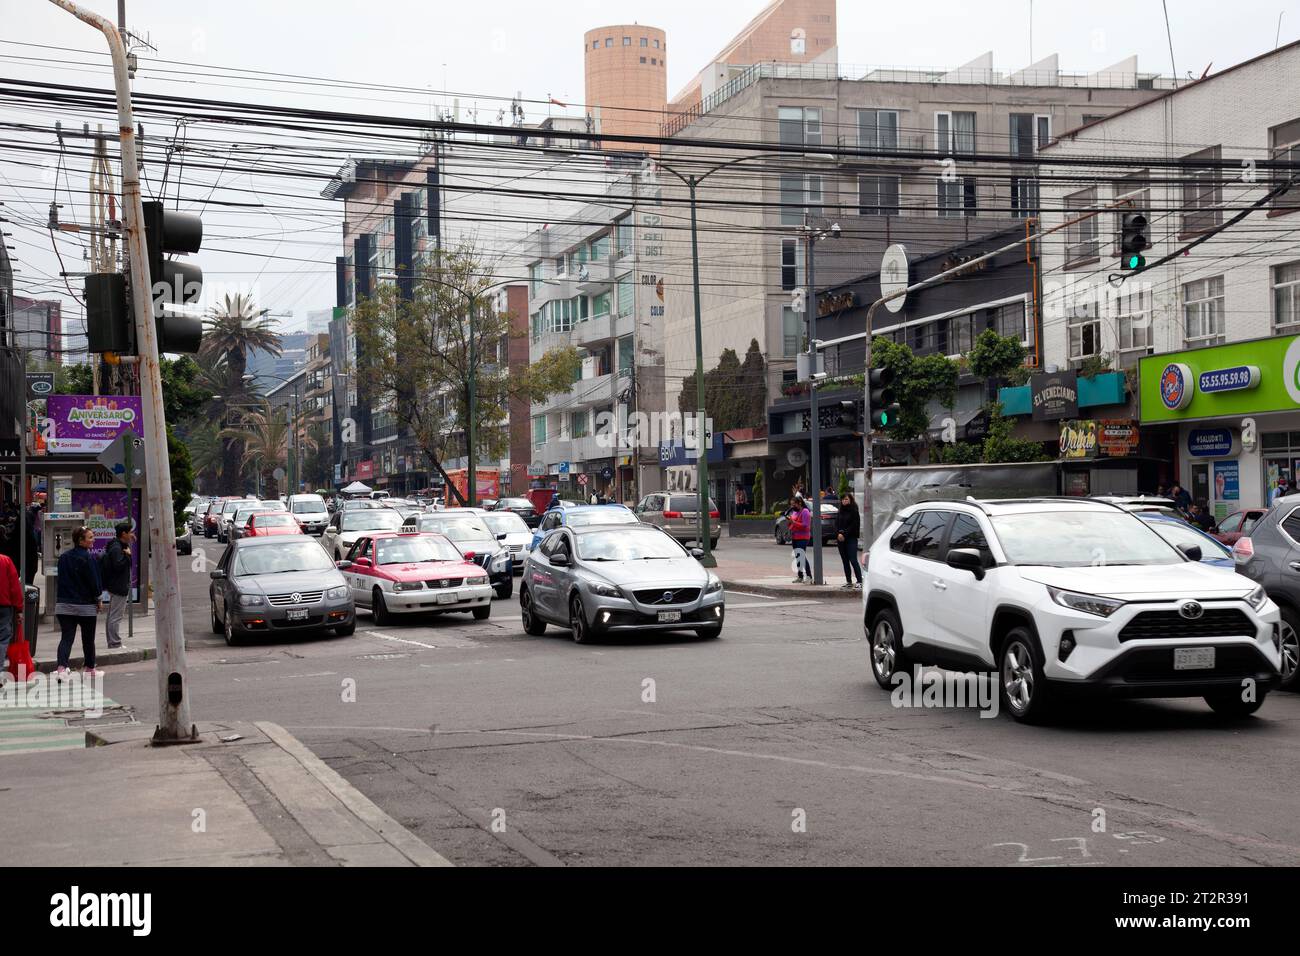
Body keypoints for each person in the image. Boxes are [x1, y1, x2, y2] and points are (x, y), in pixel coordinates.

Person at [54, 526, 102, 680]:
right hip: (85, 606)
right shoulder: (89, 558)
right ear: (81, 541)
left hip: (64, 604)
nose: (93, 540)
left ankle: (61, 668)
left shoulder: (63, 557)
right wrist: (98, 599)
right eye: (90, 537)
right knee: (88, 639)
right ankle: (89, 668)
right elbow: (94, 582)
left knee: (66, 638)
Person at [102, 521, 134, 650]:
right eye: (130, 532)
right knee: (115, 616)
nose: (132, 534)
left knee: (112, 615)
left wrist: (127, 548)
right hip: (118, 586)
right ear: (123, 533)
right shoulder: (117, 548)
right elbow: (118, 565)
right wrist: (127, 556)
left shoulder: (118, 545)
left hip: (116, 585)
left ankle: (112, 641)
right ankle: (115, 643)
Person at [0, 547, 22, 679]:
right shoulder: (5, 560)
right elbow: (14, 587)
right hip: (4, 605)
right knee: (2, 639)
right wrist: (19, 609)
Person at [835, 491, 863, 590]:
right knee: (845, 561)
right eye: (843, 499)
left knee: (853, 559)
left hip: (851, 538)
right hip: (840, 539)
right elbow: (837, 524)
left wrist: (844, 534)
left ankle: (860, 581)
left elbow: (853, 525)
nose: (844, 501)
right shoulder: (840, 511)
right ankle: (848, 581)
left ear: (850, 500)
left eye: (846, 499)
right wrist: (838, 533)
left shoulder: (854, 511)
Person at [788, 494, 812, 583]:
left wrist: (793, 522)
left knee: (802, 556)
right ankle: (800, 576)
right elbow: (793, 524)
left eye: (794, 504)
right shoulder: (795, 512)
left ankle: (809, 576)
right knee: (798, 557)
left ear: (800, 503)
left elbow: (805, 526)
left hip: (803, 537)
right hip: (795, 536)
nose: (792, 506)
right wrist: (790, 523)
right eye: (791, 504)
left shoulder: (805, 511)